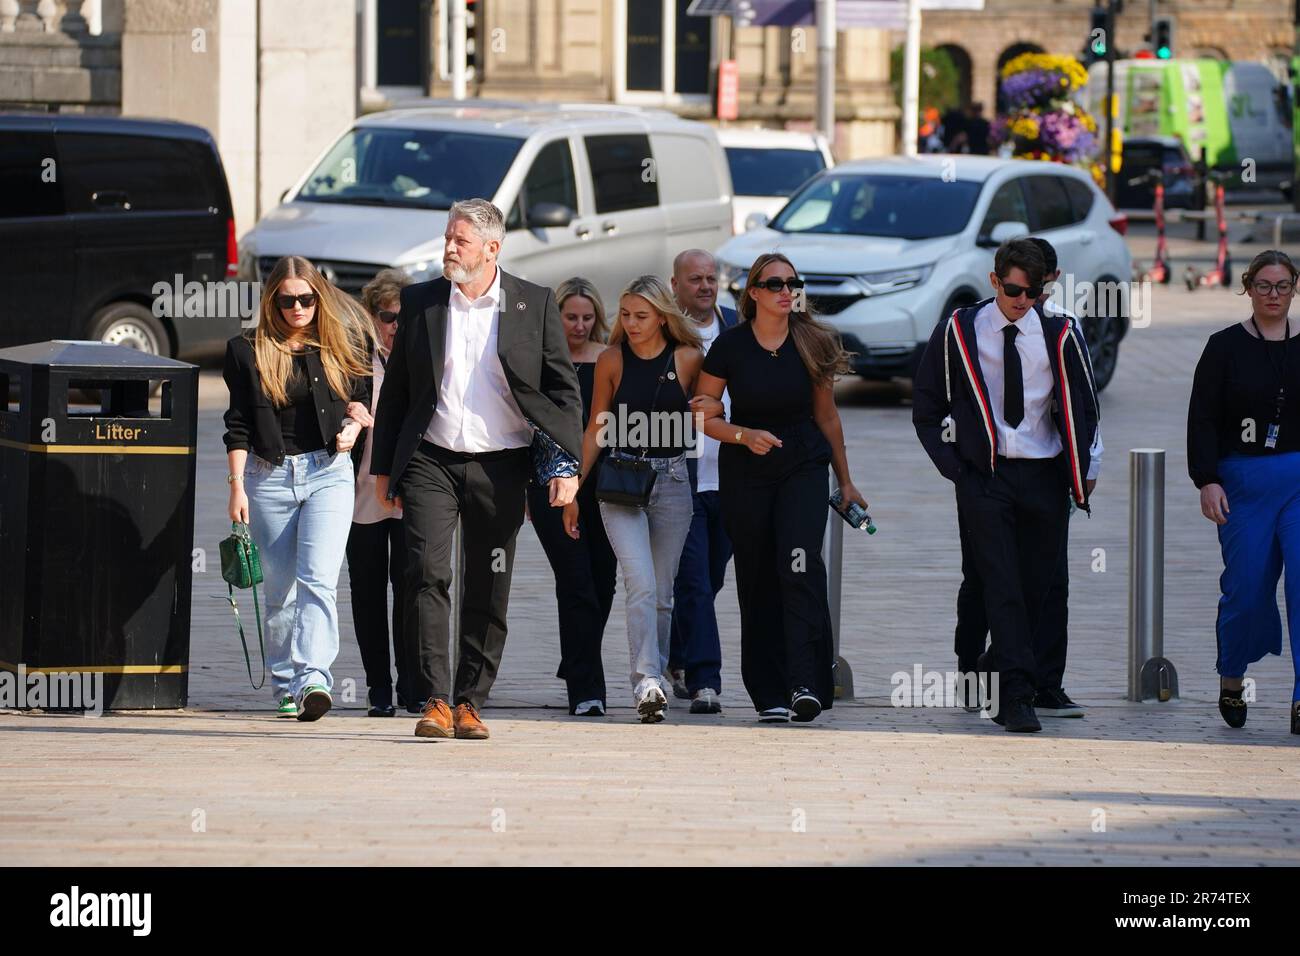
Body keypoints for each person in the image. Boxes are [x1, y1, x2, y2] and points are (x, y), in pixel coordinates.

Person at [370, 198, 583, 741]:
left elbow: (563, 392)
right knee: (425, 572)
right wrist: (383, 469)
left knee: (489, 582)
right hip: (430, 460)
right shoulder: (420, 303)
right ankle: (435, 699)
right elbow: (395, 394)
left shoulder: (532, 305)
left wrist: (566, 463)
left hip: (503, 465)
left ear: (493, 248)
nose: (449, 247)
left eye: (460, 240)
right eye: (447, 236)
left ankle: (470, 700)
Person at [912, 238, 1098, 733]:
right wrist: (957, 469)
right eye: (1013, 289)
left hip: (1044, 475)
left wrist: (1083, 469)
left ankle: (993, 668)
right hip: (985, 477)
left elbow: (1085, 406)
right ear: (995, 281)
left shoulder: (1060, 332)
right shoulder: (960, 329)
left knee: (1039, 587)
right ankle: (1014, 695)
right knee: (999, 583)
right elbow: (926, 407)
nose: (1022, 300)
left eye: (1032, 291)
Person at [694, 253, 868, 724]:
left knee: (800, 564)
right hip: (746, 472)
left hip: (803, 467)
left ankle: (805, 682)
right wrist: (742, 435)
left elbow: (827, 416)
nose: (785, 290)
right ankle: (768, 691)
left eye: (792, 282)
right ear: (753, 293)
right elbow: (703, 411)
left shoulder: (812, 341)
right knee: (757, 576)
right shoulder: (730, 346)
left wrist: (846, 481)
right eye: (774, 284)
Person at [223, 255, 374, 721]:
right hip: (268, 476)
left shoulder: (342, 344)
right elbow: (238, 424)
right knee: (280, 591)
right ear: (272, 301)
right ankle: (286, 684)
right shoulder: (246, 350)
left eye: (306, 299)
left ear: (319, 297)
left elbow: (360, 399)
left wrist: (354, 424)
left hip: (330, 472)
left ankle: (313, 679)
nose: (297, 309)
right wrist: (236, 488)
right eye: (286, 301)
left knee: (319, 580)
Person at [563, 276, 704, 723]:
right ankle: (647, 681)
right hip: (620, 481)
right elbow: (596, 429)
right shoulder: (611, 360)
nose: (631, 323)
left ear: (663, 317)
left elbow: (710, 412)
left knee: (663, 592)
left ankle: (656, 677)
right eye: (625, 314)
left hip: (673, 480)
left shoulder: (688, 358)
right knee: (640, 582)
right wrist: (573, 488)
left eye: (641, 316)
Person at [1187, 249, 1300, 734]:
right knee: (1247, 588)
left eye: (1282, 286)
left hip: (1298, 480)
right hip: (1243, 483)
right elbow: (1202, 419)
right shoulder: (1223, 347)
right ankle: (1232, 678)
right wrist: (1206, 479)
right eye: (1264, 286)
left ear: (1294, 289)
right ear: (1248, 288)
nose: (1273, 295)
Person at [529, 277, 616, 716]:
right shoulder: (540, 362)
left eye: (587, 317)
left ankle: (576, 657)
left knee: (603, 583)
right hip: (551, 486)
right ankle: (586, 690)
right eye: (570, 317)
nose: (579, 326)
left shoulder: (609, 360)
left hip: (609, 488)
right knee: (577, 583)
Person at [667, 249, 738, 714]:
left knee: (710, 580)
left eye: (711, 278)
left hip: (732, 478)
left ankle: (676, 654)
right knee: (692, 579)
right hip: (682, 476)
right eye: (695, 279)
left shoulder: (739, 326)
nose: (706, 286)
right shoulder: (664, 333)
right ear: (675, 285)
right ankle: (705, 679)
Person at [347, 268, 414, 717]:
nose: (396, 327)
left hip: (410, 490)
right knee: (367, 590)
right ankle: (378, 689)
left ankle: (413, 686)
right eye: (389, 317)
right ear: (371, 316)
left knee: (413, 588)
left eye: (404, 319)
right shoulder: (351, 359)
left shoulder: (421, 357)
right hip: (359, 491)